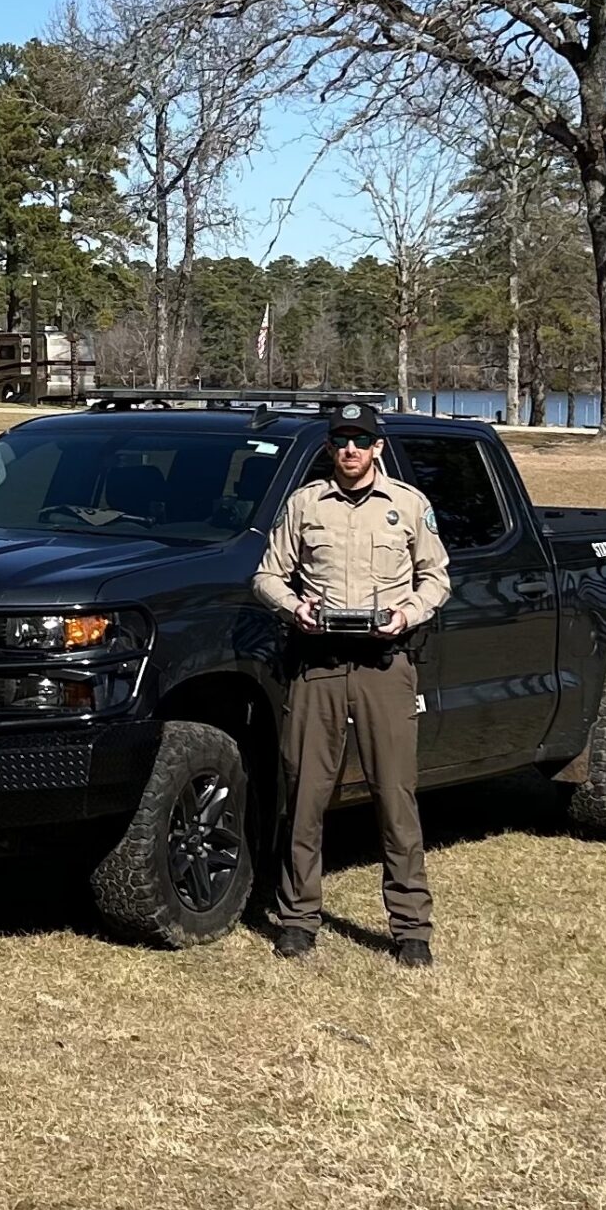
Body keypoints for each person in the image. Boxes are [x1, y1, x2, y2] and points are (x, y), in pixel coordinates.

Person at [251, 401, 452, 968]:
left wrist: (407, 614)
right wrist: (295, 607)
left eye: (360, 440)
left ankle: (411, 927)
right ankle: (298, 919)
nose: (350, 450)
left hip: (384, 665)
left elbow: (437, 578)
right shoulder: (305, 504)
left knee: (395, 797)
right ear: (329, 448)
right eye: (341, 440)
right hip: (317, 664)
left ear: (377, 447)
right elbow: (266, 575)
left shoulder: (408, 505)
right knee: (305, 796)